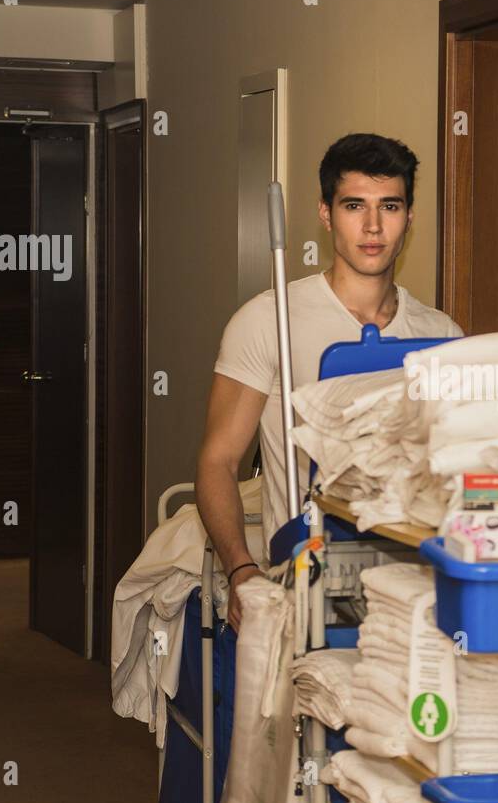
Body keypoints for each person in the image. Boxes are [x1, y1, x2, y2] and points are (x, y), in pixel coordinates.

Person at [196, 133, 463, 631]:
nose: (373, 226)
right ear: (325, 213)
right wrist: (240, 569)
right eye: (354, 205)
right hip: (306, 571)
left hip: (415, 574)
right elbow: (218, 460)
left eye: (390, 206)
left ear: (410, 216)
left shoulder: (440, 334)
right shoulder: (268, 320)